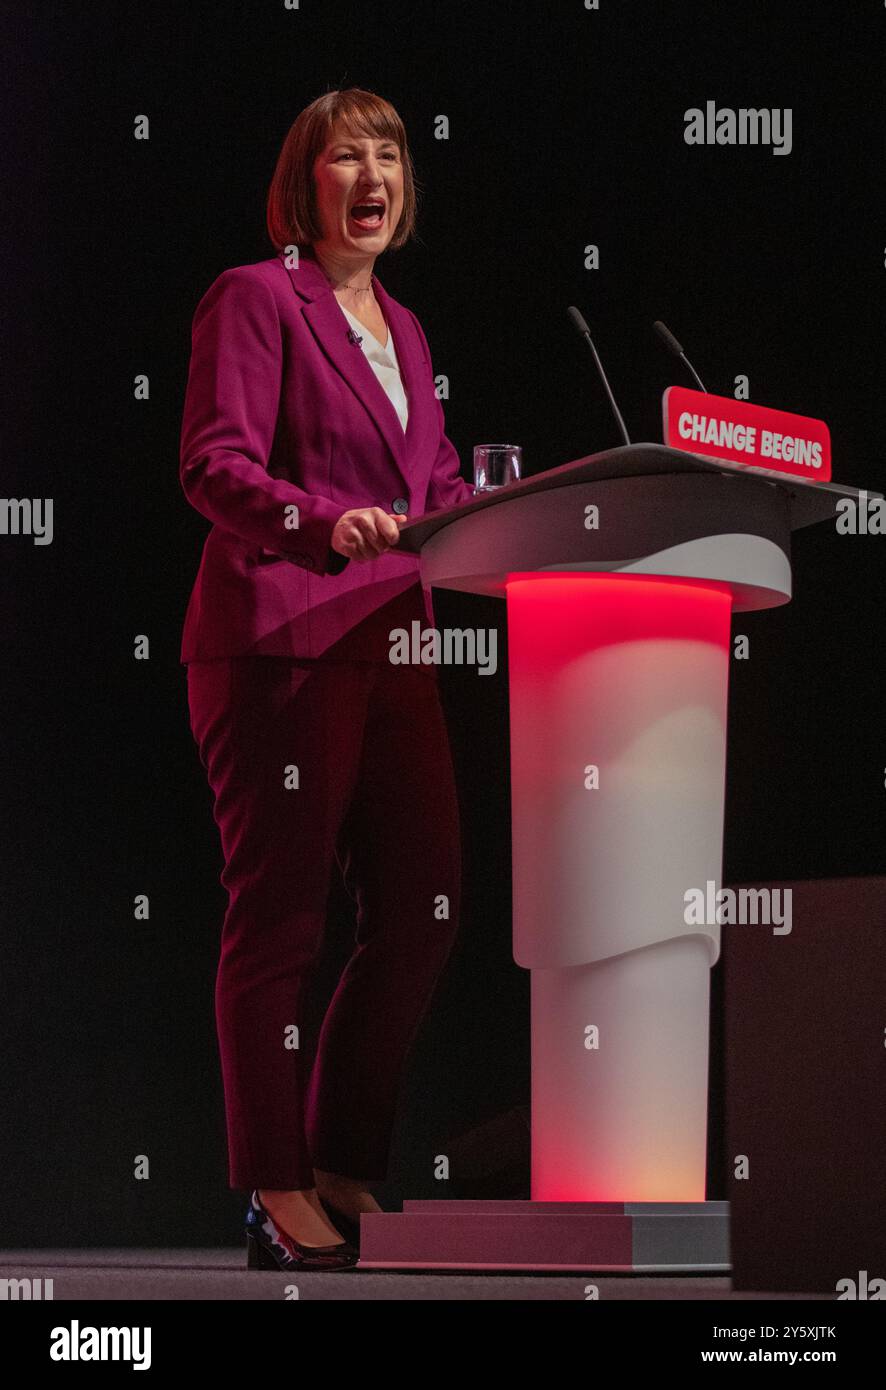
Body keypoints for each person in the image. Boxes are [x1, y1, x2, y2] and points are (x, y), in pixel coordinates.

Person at [180, 87, 474, 1271]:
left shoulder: (404, 328)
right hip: (279, 640)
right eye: (346, 154)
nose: (373, 172)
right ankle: (270, 1185)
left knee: (424, 906)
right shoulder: (258, 297)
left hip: (393, 646)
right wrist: (316, 520)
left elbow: (437, 483)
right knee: (280, 922)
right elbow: (212, 464)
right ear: (305, 185)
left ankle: (344, 1159)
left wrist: (503, 517)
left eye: (391, 152)